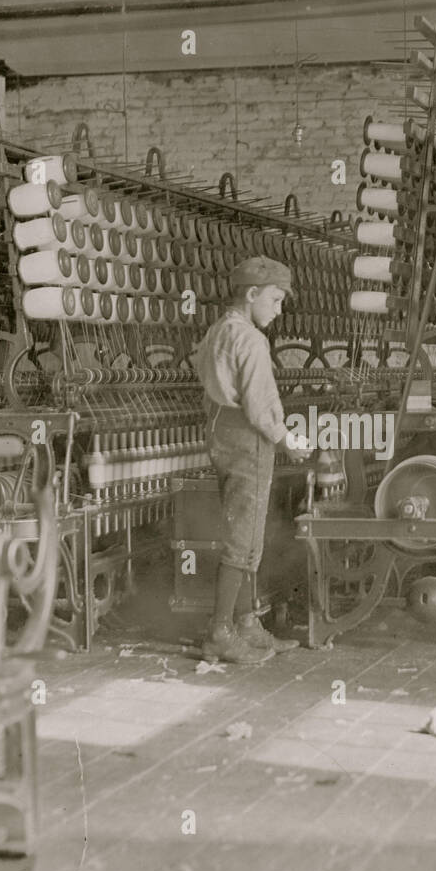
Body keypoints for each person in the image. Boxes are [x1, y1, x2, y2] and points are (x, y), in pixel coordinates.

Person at [193, 257, 312, 663]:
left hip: (220, 432)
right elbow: (260, 408)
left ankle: (246, 623)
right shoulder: (250, 339)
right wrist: (288, 440)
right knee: (244, 539)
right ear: (252, 294)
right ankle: (221, 632)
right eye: (276, 300)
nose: (278, 311)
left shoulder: (216, 331)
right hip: (249, 438)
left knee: (242, 533)